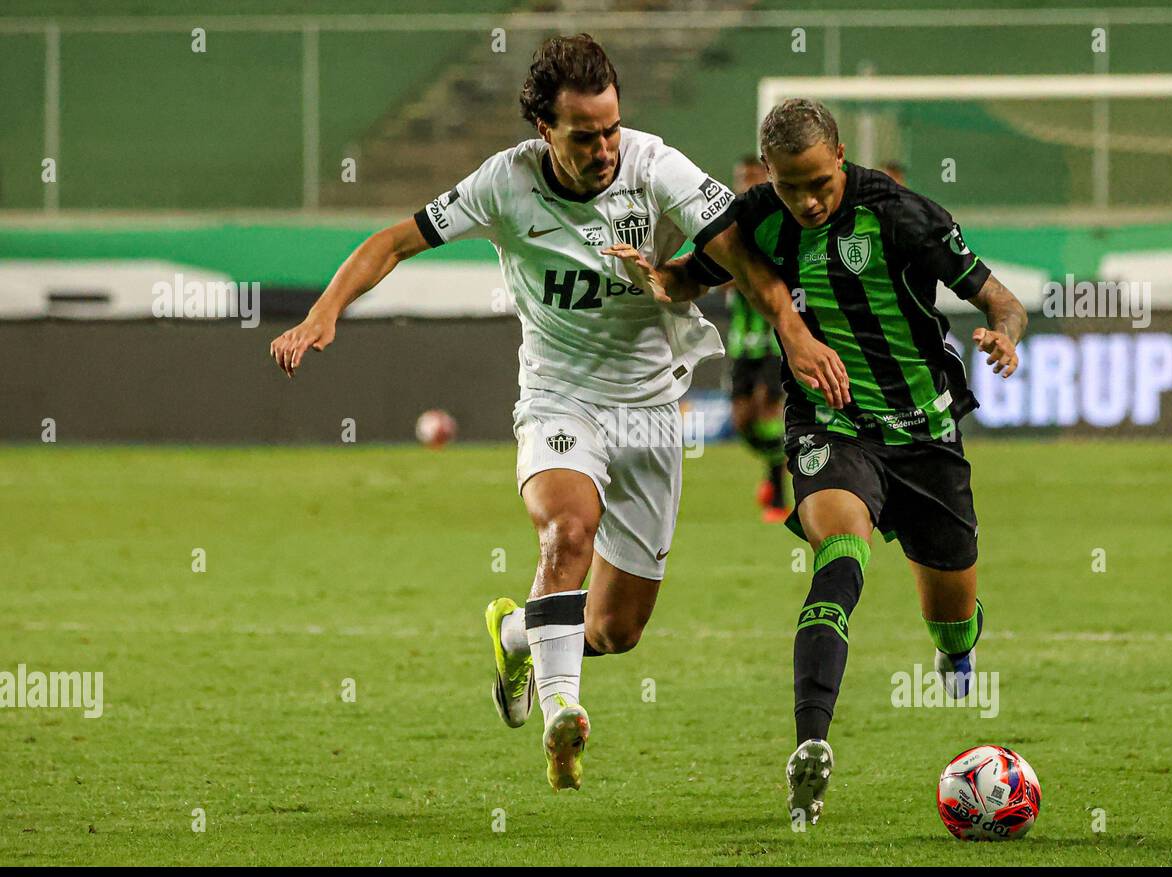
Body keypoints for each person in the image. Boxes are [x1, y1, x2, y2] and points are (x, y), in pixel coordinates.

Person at [269, 40, 848, 793]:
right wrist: (324, 313)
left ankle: (515, 635)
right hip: (557, 396)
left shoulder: (654, 166)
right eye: (585, 135)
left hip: (647, 409)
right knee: (566, 529)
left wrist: (795, 333)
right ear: (544, 130)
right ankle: (562, 712)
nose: (605, 147)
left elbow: (740, 252)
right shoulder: (502, 183)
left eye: (611, 127)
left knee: (614, 630)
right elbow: (395, 242)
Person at [604, 98, 1028, 824]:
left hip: (924, 432)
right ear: (769, 172)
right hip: (830, 424)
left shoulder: (900, 213)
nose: (805, 201)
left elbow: (1000, 299)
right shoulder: (759, 217)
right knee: (841, 553)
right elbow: (688, 278)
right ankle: (811, 747)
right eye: (789, 185)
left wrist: (1003, 335)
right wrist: (656, 275)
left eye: (819, 184)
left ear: (839, 156)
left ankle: (957, 655)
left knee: (952, 616)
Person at [724, 155, 790, 521]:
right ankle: (773, 471)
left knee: (768, 405)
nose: (745, 183)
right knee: (742, 420)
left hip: (772, 340)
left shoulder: (775, 219)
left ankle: (780, 495)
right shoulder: (727, 222)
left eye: (751, 176)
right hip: (740, 342)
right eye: (740, 176)